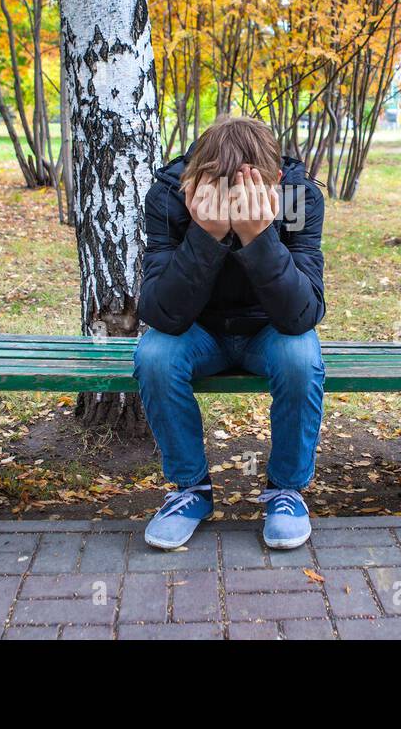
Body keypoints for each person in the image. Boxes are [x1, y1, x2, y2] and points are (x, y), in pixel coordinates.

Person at [134, 115, 326, 550]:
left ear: (274, 181)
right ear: (193, 178)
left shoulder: (300, 198)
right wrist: (206, 235)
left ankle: (285, 490)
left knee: (301, 358)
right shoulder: (168, 197)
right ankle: (190, 490)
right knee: (155, 356)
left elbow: (301, 315)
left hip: (270, 330)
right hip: (198, 331)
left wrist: (259, 237)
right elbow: (162, 313)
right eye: (216, 186)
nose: (231, 198)